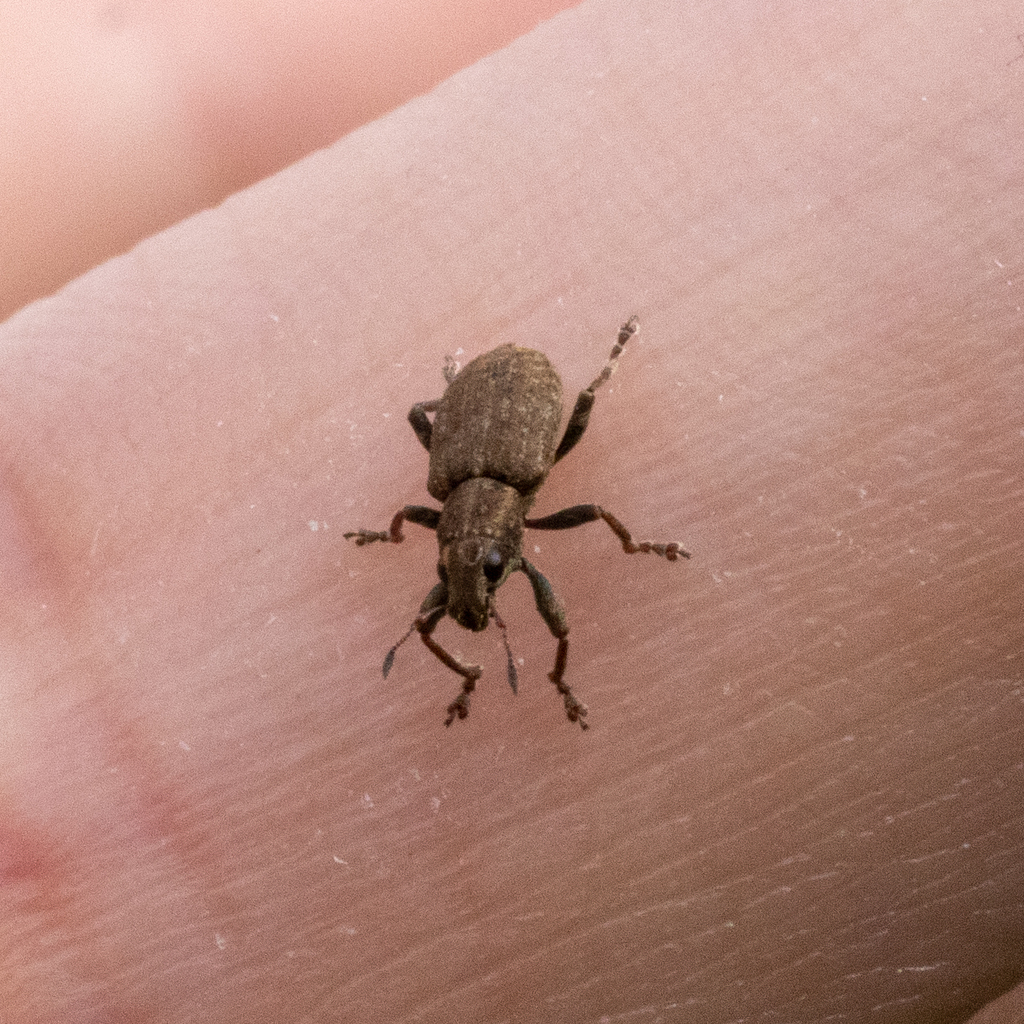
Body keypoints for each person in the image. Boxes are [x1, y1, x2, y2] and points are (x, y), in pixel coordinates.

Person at [1, 1, 1021, 1020]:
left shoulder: (515, 502)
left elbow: (531, 547)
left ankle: (610, 404)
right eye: (469, 572)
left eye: (479, 575)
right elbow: (431, 591)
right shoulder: (444, 512)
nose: (470, 590)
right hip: (481, 424)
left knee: (574, 559)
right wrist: (436, 635)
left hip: (509, 400)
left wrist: (579, 542)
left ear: (500, 549)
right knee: (437, 552)